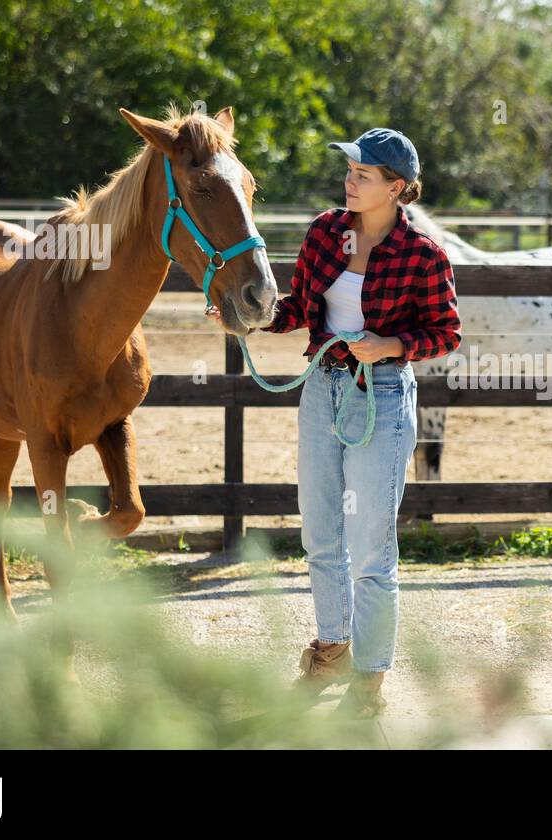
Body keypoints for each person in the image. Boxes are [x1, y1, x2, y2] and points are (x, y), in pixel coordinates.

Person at [208, 128, 461, 717]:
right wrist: (248, 317)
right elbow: (300, 307)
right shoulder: (325, 231)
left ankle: (369, 682)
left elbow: (445, 333)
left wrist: (393, 342)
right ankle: (333, 647)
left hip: (383, 395)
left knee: (372, 547)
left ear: (396, 188)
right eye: (349, 170)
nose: (350, 181)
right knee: (321, 534)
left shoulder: (425, 255)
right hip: (321, 390)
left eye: (363, 175)